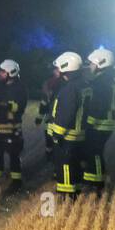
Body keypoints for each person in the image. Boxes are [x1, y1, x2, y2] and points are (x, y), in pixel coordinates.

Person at [46, 51, 90, 197]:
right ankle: (75, 189)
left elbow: (66, 113)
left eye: (58, 68)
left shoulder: (70, 88)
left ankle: (67, 194)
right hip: (78, 133)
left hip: (68, 135)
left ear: (66, 68)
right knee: (75, 163)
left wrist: (57, 134)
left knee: (64, 164)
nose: (55, 71)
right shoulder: (82, 85)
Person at [0, 59, 27, 187]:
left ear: (11, 72)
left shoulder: (20, 89)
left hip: (12, 130)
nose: (0, 74)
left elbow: (20, 106)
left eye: (3, 72)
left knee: (14, 155)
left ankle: (16, 181)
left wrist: (5, 105)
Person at [83, 48, 115, 194]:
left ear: (100, 63)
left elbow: (98, 106)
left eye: (92, 63)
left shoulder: (101, 83)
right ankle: (93, 179)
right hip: (106, 122)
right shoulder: (108, 80)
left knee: (94, 151)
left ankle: (97, 183)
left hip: (100, 123)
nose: (90, 66)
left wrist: (88, 123)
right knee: (94, 151)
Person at [34, 65, 64, 157]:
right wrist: (39, 118)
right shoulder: (51, 83)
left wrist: (39, 119)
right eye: (56, 69)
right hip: (53, 117)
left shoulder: (50, 83)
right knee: (50, 138)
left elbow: (44, 102)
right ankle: (51, 154)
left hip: (55, 117)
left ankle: (51, 155)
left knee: (51, 138)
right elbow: (44, 102)